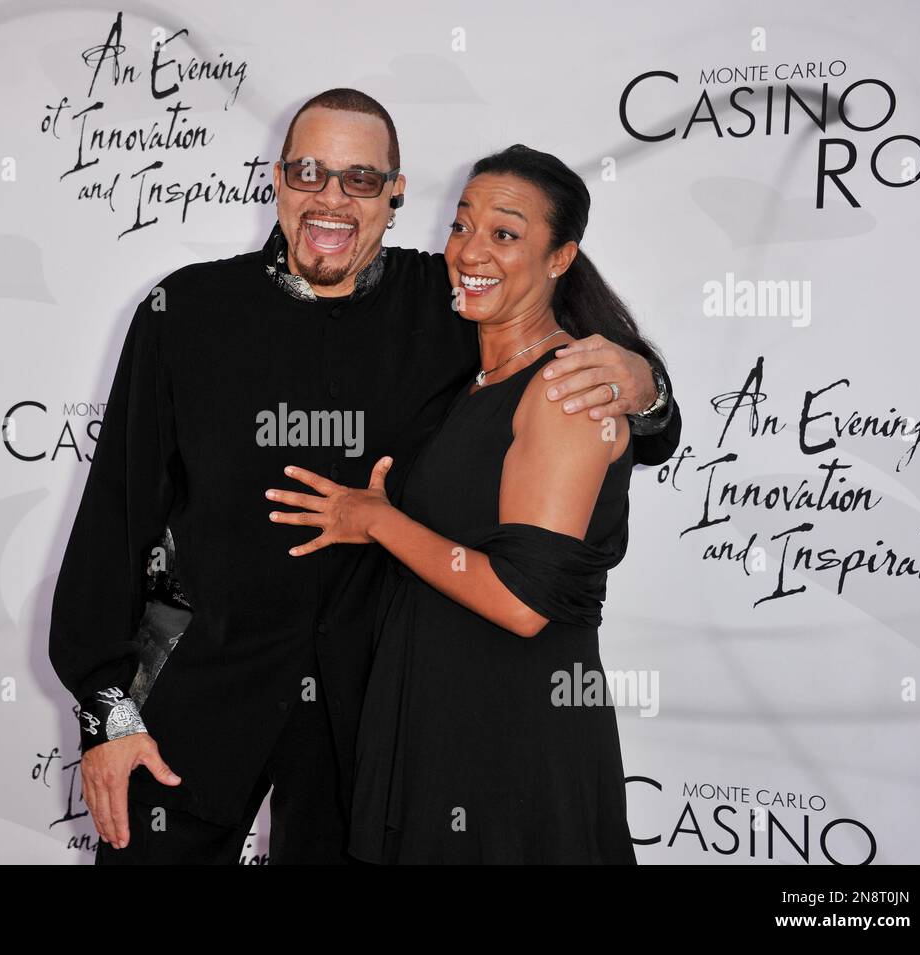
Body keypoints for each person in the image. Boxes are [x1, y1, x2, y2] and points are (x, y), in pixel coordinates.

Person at [48, 89, 680, 864]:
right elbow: (116, 520)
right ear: (277, 180)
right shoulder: (187, 311)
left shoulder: (454, 308)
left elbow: (609, 426)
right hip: (198, 702)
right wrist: (104, 711)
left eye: (360, 179)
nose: (330, 199)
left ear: (395, 194)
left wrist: (647, 386)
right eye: (308, 173)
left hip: (373, 733)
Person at [266, 144, 650, 863]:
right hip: (438, 721)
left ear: (561, 257)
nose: (471, 249)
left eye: (505, 234)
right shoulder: (475, 377)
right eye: (462, 225)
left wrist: (378, 519)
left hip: (509, 738)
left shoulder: (565, 390)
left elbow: (521, 600)